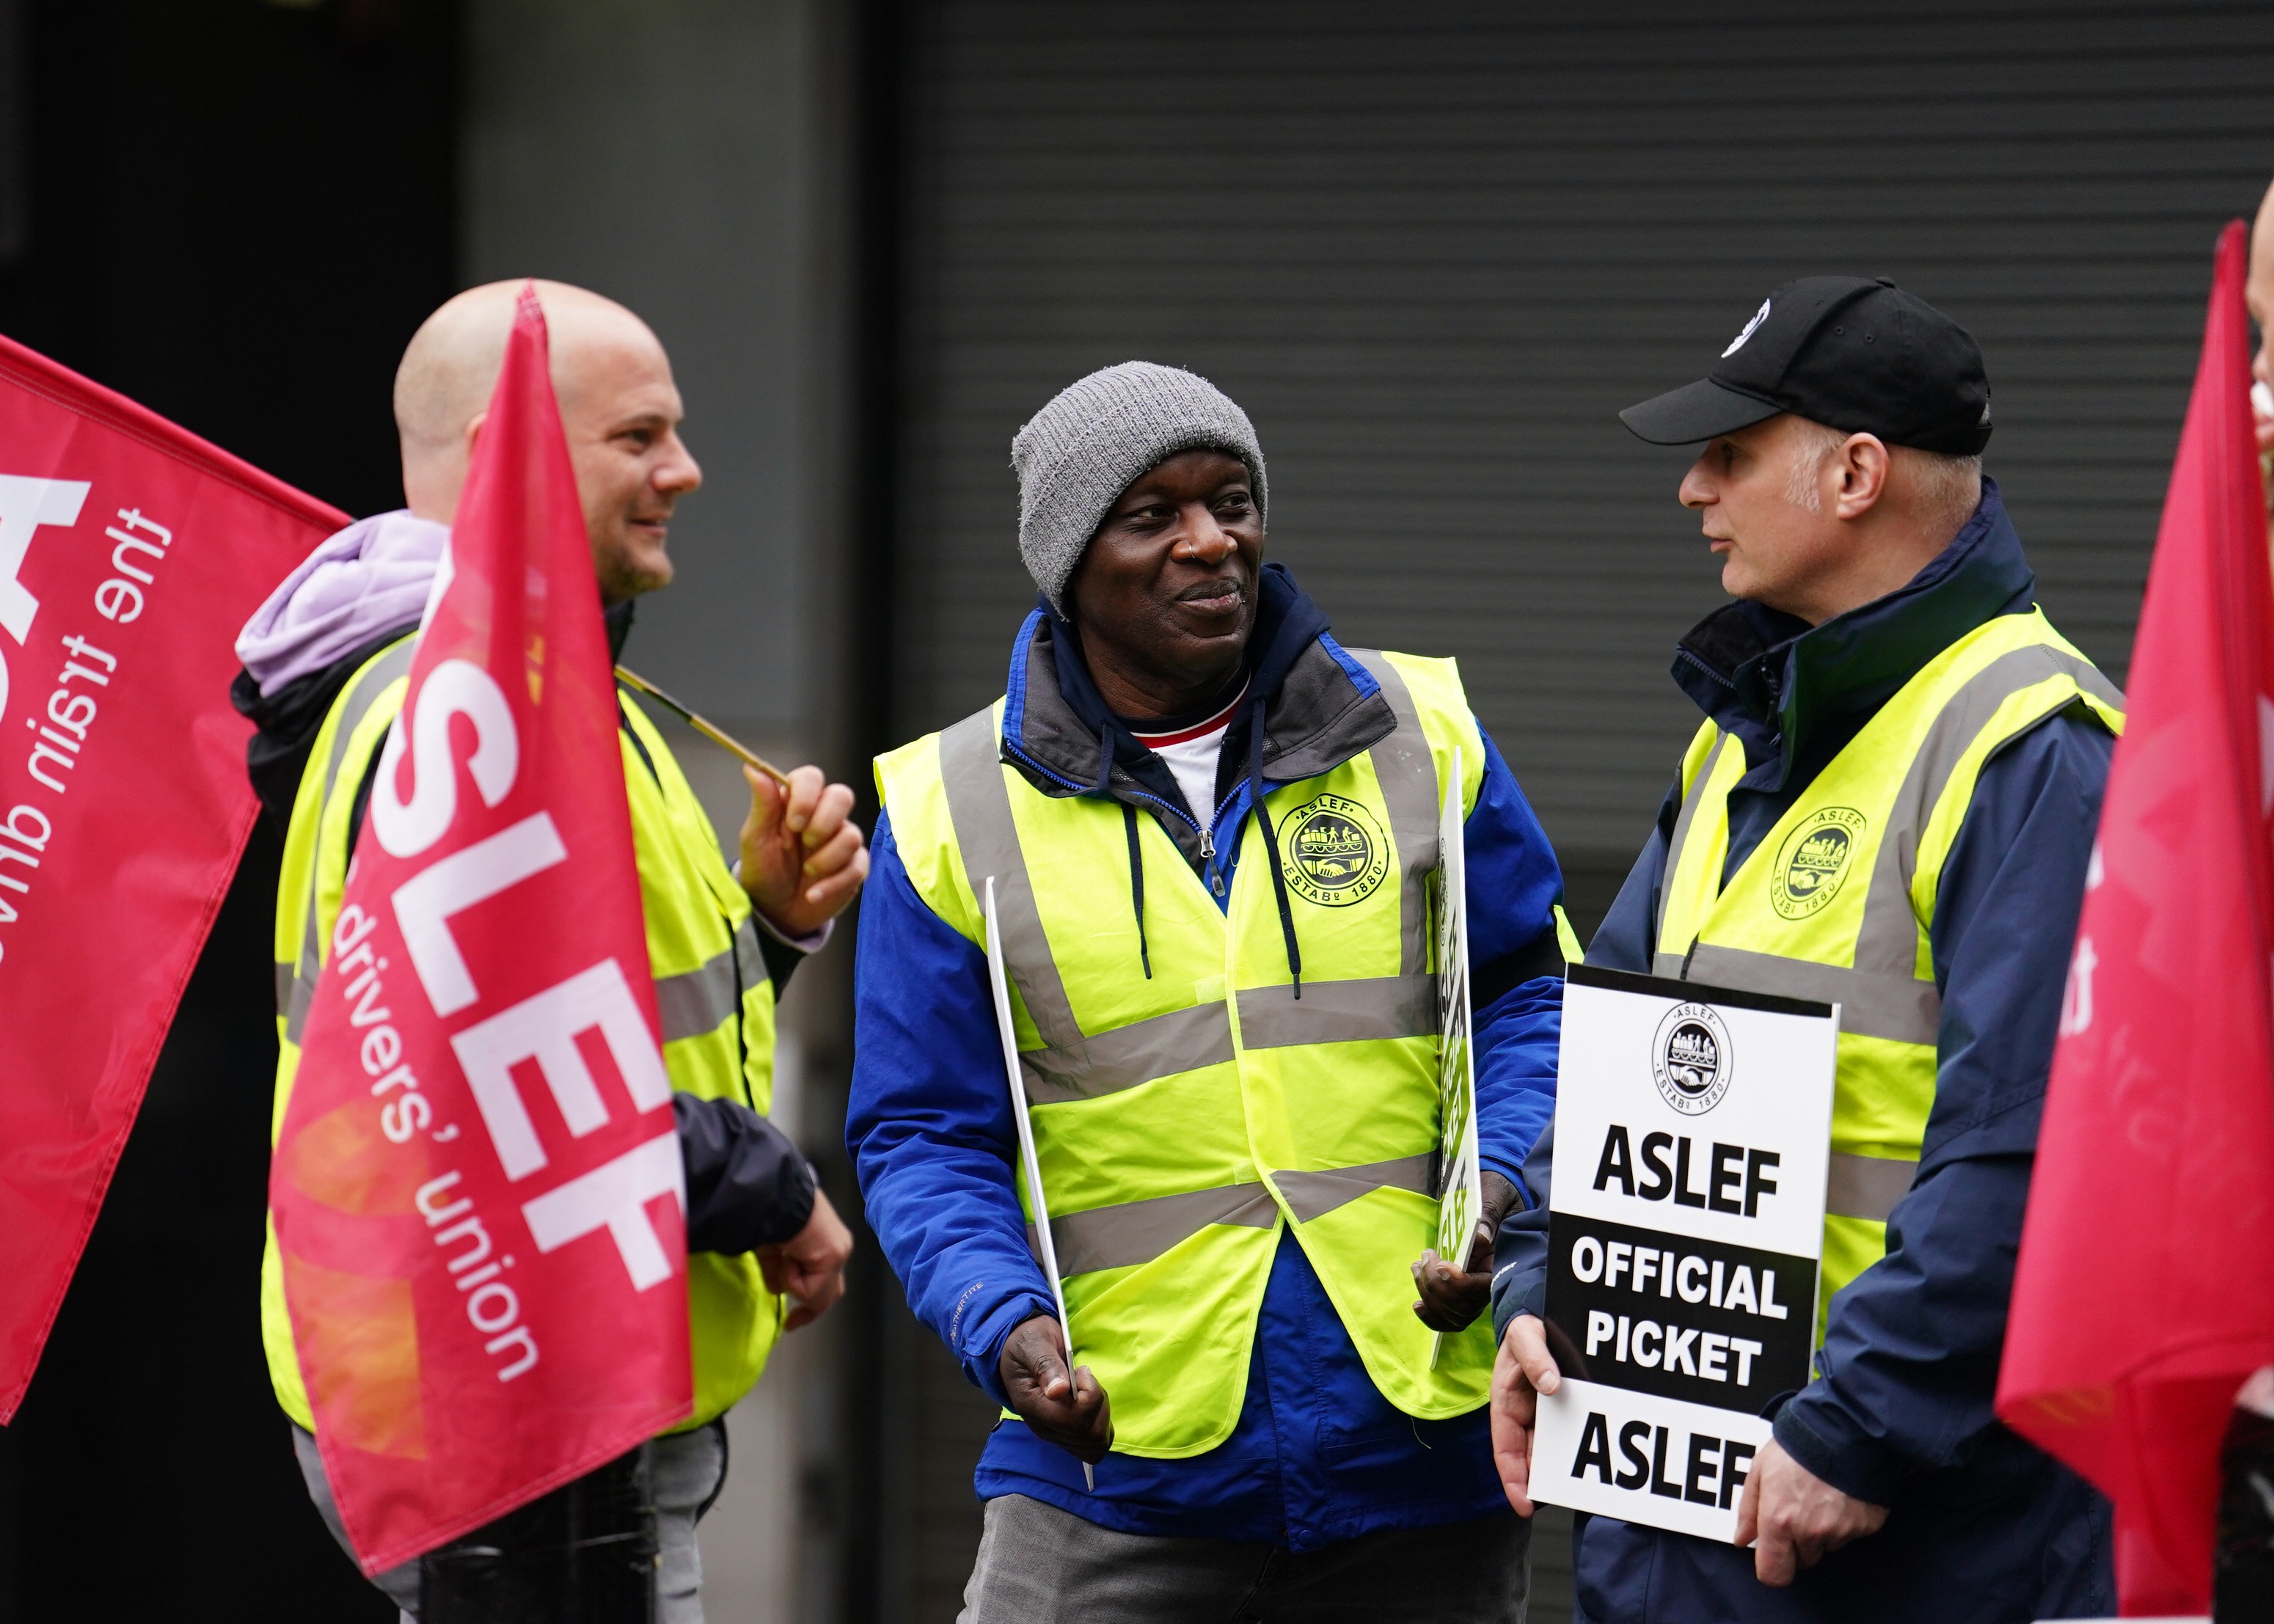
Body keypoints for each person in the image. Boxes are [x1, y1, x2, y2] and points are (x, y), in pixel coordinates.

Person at [847, 362, 1574, 1622]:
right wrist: (1005, 1327)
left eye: (1231, 500)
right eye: (1153, 516)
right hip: (1114, 1461)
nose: (1211, 542)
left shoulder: (1417, 731)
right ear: (1071, 561)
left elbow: (1531, 997)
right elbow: (922, 1131)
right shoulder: (948, 807)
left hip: (1419, 1448)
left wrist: (1498, 1189)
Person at [1485, 276, 2123, 1621]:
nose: (1693, 492)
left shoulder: (2037, 748)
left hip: (1903, 1541)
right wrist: (1541, 1286)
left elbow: (2036, 1150)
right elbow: (1618, 1046)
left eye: (1730, 454)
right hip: (1680, 1528)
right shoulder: (1742, 733)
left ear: (1854, 473)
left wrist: (1860, 1430)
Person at [231, 279, 867, 1622]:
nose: (685, 471)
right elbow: (482, 1092)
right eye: (638, 437)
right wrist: (762, 1183)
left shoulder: (508, 688)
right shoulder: (467, 713)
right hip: (526, 1416)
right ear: (499, 451)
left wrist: (770, 926)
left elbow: (571, 1021)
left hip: (526, 1391)